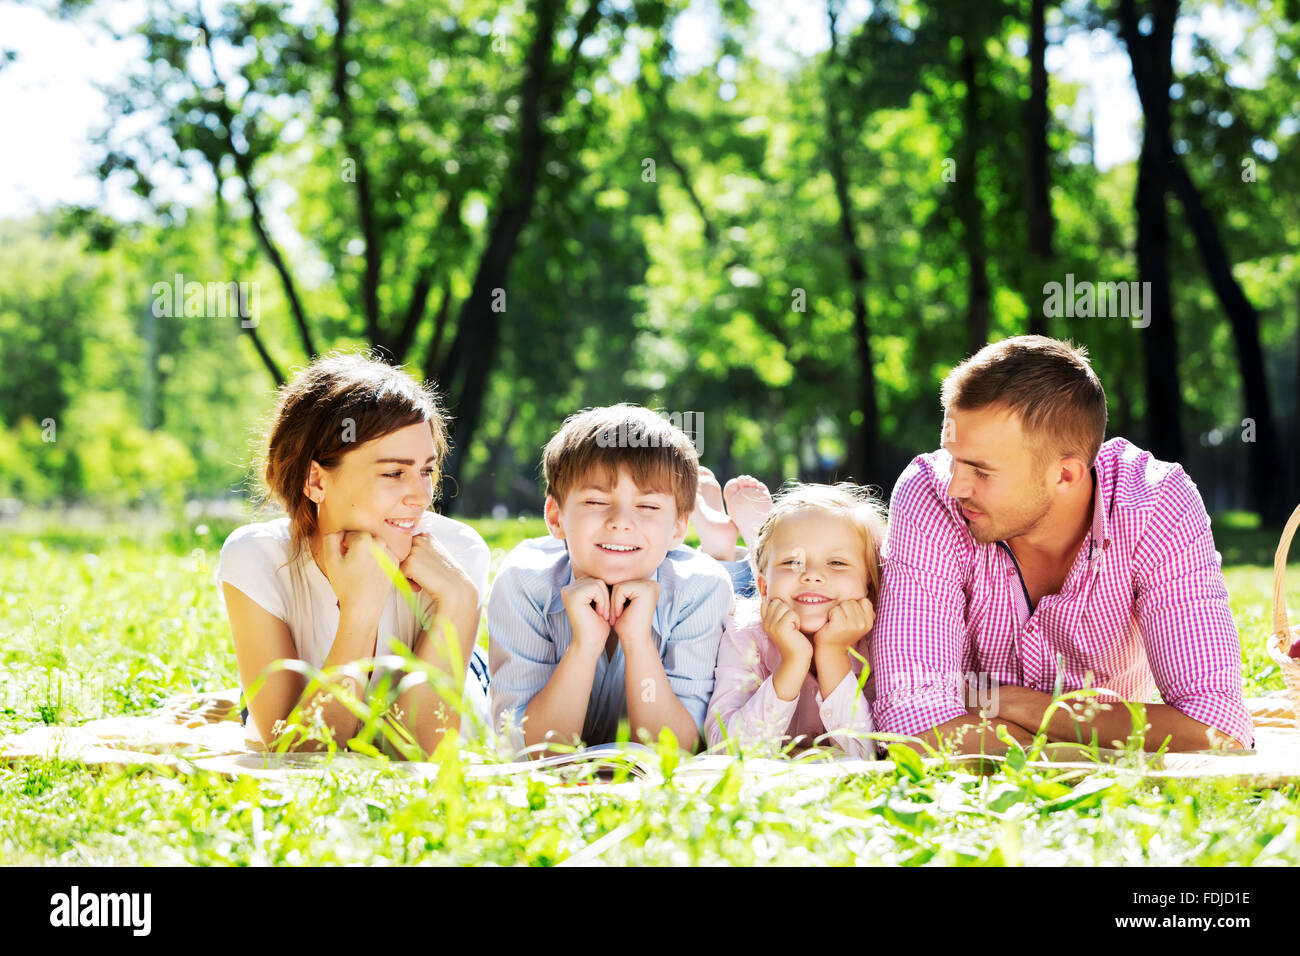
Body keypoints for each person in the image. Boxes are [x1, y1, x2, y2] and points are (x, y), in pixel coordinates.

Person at [871, 335, 1253, 754]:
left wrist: (1020, 706)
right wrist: (1087, 741)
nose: (956, 485)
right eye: (953, 457)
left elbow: (1220, 729)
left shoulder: (1156, 504)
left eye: (980, 470)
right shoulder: (929, 492)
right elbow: (909, 724)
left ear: (1066, 475)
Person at [216, 352, 489, 755]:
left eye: (426, 470)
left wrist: (460, 603)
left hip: (469, 673)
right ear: (316, 480)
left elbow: (413, 751)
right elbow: (301, 754)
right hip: (304, 685)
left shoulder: (458, 553)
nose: (421, 496)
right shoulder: (256, 557)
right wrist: (359, 613)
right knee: (265, 717)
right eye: (394, 473)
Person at [487, 404, 733, 755]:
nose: (621, 521)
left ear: (679, 527)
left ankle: (724, 549)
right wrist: (583, 647)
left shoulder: (701, 589)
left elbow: (673, 751)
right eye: (596, 500)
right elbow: (532, 754)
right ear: (556, 517)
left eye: (648, 507)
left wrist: (638, 642)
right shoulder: (524, 582)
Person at [705, 483, 883, 758]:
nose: (812, 575)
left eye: (837, 563)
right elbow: (724, 750)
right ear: (764, 588)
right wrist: (792, 662)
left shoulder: (880, 640)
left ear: (868, 587)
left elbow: (869, 755)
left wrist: (833, 654)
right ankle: (720, 549)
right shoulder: (745, 635)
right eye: (792, 562)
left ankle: (738, 540)